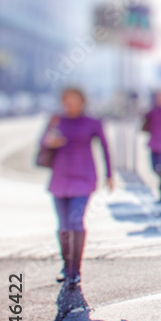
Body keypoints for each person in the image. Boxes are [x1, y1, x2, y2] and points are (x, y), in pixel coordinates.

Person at [39, 88, 114, 288]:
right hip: (60, 179)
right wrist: (49, 142)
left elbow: (105, 147)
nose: (69, 105)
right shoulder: (56, 120)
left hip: (83, 178)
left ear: (82, 102)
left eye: (73, 101)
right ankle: (66, 266)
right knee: (63, 226)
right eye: (66, 101)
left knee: (76, 222)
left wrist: (109, 175)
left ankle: (76, 270)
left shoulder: (92, 122)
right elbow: (42, 144)